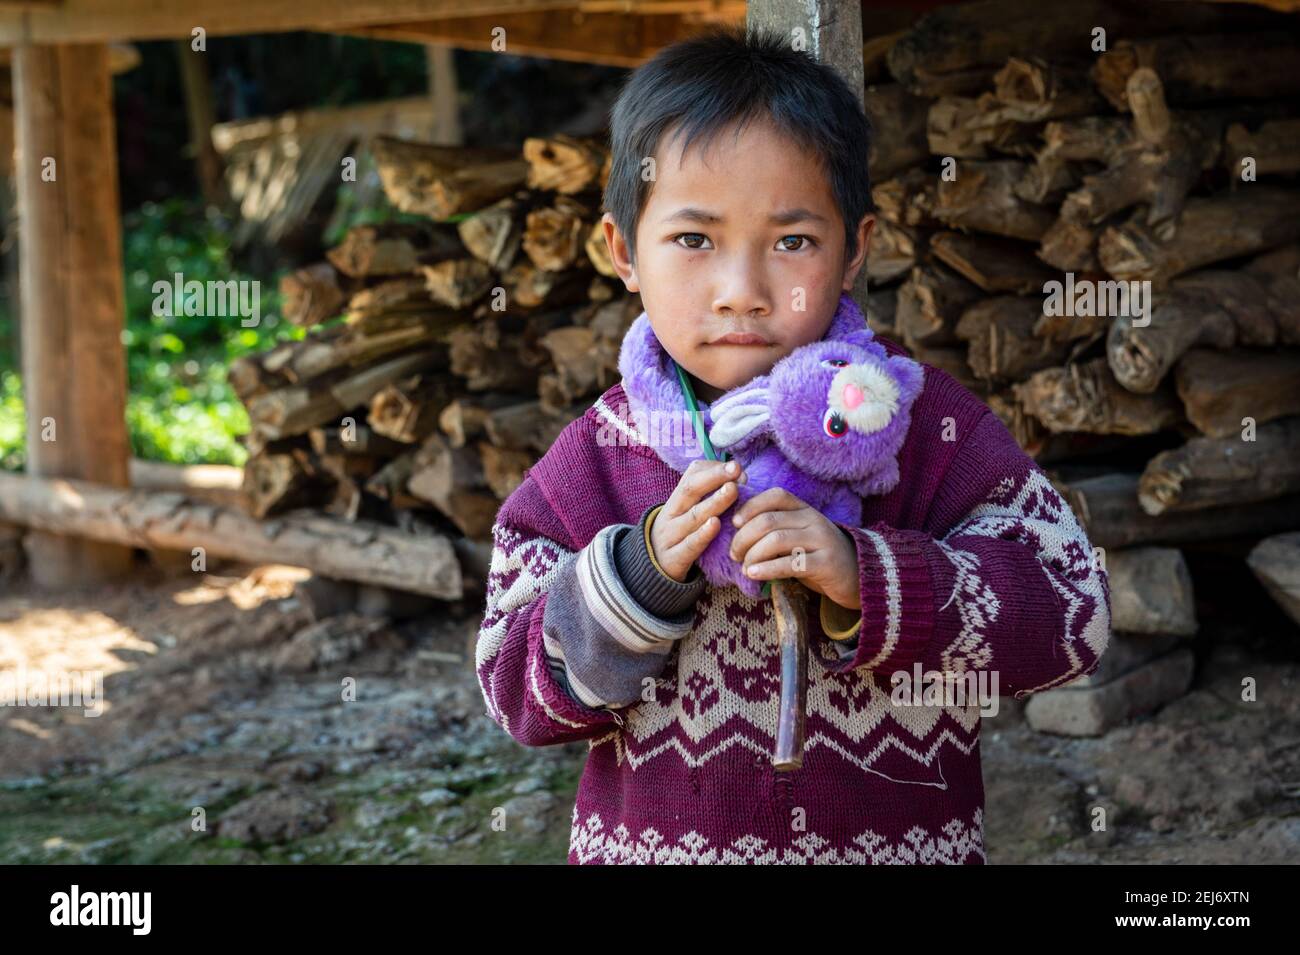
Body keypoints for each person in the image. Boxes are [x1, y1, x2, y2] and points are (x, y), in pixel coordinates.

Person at [474, 26, 1111, 864]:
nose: (742, 293)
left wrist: (870, 579)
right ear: (623, 251)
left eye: (793, 242)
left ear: (856, 251)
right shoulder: (597, 456)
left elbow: (1073, 612)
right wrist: (634, 579)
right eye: (694, 239)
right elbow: (514, 692)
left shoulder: (924, 429)